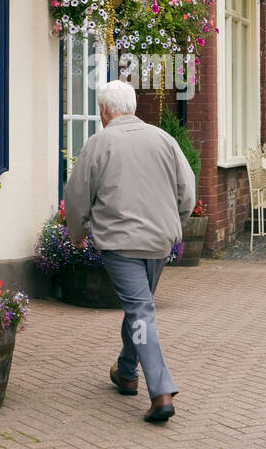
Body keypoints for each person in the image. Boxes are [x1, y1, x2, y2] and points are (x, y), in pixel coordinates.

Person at [63, 80, 196, 423]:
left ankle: (161, 392)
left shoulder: (99, 143)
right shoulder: (164, 140)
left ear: (104, 111)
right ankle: (125, 371)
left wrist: (77, 233)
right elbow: (187, 191)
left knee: (140, 312)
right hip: (159, 243)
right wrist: (175, 226)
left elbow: (78, 195)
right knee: (141, 309)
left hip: (121, 245)